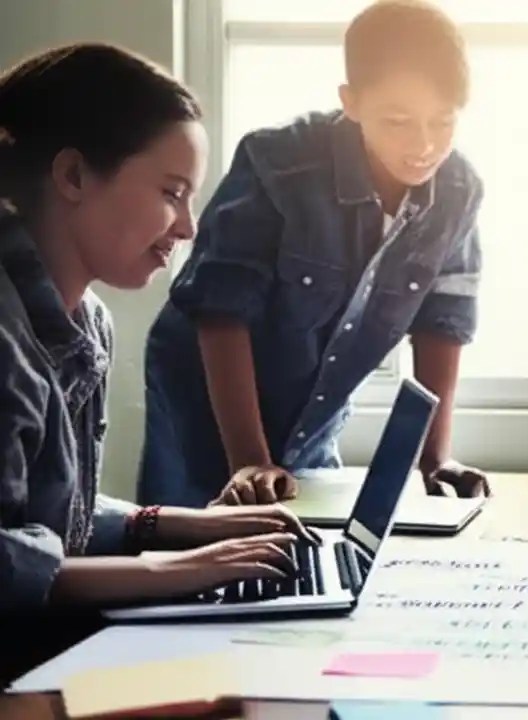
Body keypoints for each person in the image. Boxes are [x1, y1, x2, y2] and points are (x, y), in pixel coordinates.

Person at [0, 42, 315, 681]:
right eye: (173, 193)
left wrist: (179, 526)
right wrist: (170, 572)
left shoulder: (87, 321)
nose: (189, 228)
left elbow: (58, 516)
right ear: (73, 177)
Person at [141, 0, 488, 508]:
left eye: (443, 123)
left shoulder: (458, 189)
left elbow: (444, 324)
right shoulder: (278, 163)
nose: (424, 145)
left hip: (315, 408)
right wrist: (249, 461)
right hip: (205, 399)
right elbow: (221, 313)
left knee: (306, 541)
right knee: (199, 540)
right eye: (398, 121)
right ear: (350, 102)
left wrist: (436, 460)